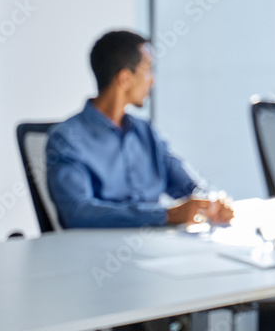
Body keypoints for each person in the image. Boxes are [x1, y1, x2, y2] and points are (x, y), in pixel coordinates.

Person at [47, 30, 233, 229]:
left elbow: (186, 185)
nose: (152, 80)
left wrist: (210, 202)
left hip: (157, 246)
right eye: (148, 70)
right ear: (125, 78)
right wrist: (164, 215)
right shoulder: (67, 139)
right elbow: (78, 213)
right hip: (101, 252)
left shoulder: (145, 131)